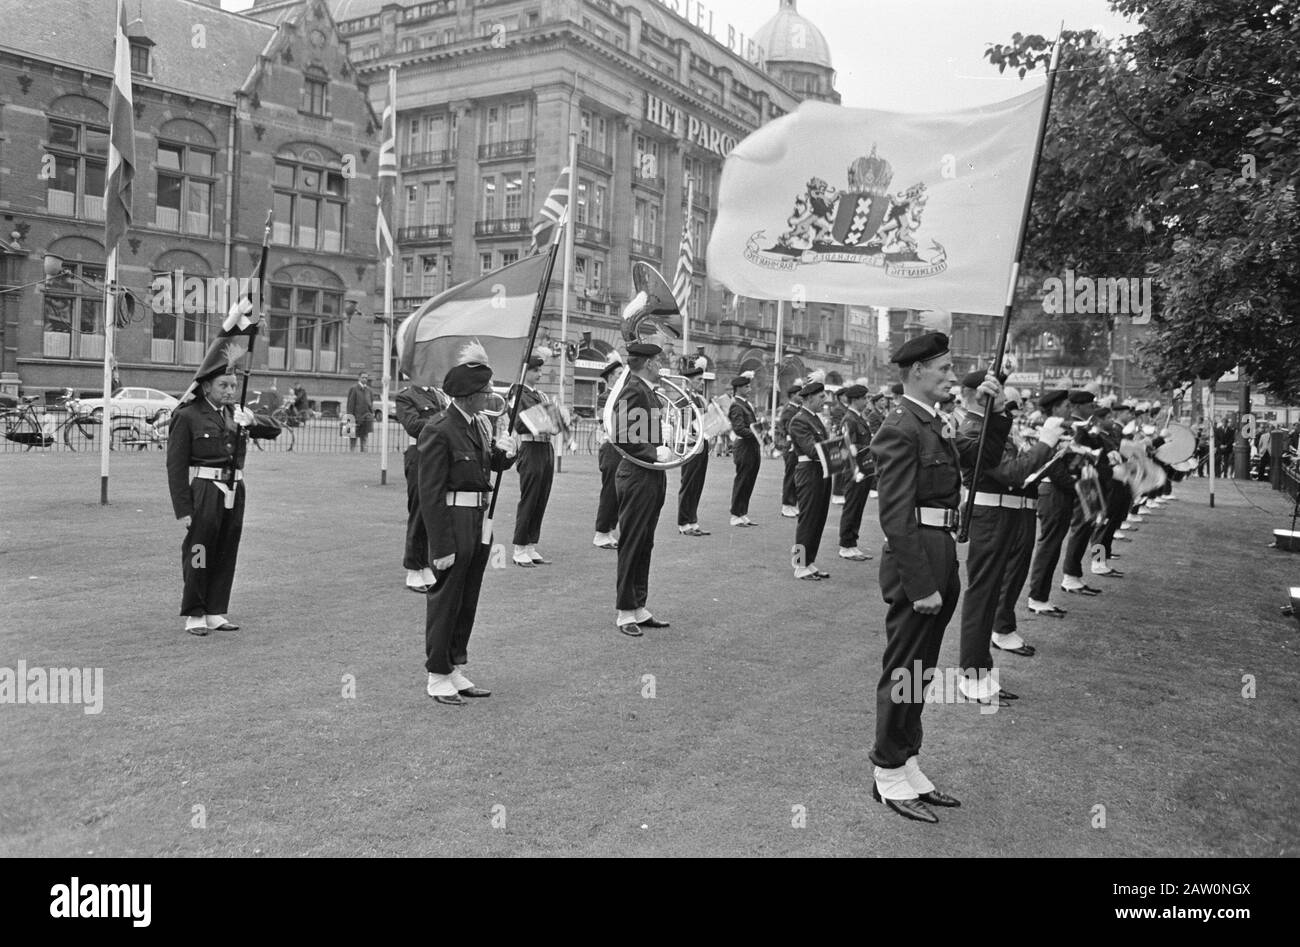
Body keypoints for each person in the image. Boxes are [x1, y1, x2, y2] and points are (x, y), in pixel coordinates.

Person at [868, 331, 986, 823]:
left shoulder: (929, 422)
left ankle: (907, 759)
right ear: (917, 371)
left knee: (922, 668)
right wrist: (920, 587)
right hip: (917, 555)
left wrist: (985, 408)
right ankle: (887, 771)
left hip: (939, 551)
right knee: (904, 669)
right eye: (943, 369)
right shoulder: (901, 426)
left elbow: (974, 454)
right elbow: (895, 517)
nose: (950, 376)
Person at [417, 342, 518, 705]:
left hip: (478, 517)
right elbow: (429, 495)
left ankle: (454, 665)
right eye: (485, 391)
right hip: (454, 519)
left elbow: (487, 467)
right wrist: (441, 547)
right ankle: (436, 673)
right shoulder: (439, 429)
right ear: (468, 395)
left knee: (467, 598)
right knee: (447, 598)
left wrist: (506, 453)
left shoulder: (478, 425)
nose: (490, 395)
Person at [954, 371, 1062, 704]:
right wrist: (1045, 444)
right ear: (977, 394)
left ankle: (980, 669)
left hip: (1005, 513)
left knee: (992, 594)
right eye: (996, 391)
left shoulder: (990, 425)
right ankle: (972, 675)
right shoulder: (974, 428)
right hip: (991, 515)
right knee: (982, 596)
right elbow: (1008, 473)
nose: (1002, 397)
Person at [166, 366, 257, 636]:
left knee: (226, 549)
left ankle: (215, 610)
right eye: (223, 385)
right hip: (206, 490)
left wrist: (252, 421)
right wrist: (184, 509)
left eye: (233, 385)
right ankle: (195, 612)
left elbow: (272, 431)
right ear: (206, 386)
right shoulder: (188, 415)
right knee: (199, 552)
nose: (230, 391)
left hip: (234, 489)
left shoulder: (235, 414)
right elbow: (176, 465)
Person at [611, 341, 675, 636]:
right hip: (638, 473)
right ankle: (625, 611)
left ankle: (638, 604)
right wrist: (653, 452)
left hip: (649, 474)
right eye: (658, 360)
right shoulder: (634, 388)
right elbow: (623, 435)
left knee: (645, 542)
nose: (661, 365)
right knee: (634, 542)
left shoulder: (645, 390)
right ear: (648, 363)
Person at [396, 374, 449, 592]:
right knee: (419, 509)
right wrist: (446, 421)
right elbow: (414, 426)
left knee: (434, 510)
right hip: (419, 453)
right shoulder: (407, 396)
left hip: (437, 454)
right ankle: (413, 567)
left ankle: (425, 564)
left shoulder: (438, 395)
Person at [510, 353, 555, 566]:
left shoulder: (541, 395)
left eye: (539, 370)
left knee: (541, 498)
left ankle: (530, 545)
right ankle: (519, 547)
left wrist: (551, 420)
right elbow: (519, 423)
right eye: (535, 370)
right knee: (530, 497)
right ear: (525, 371)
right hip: (530, 446)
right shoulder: (518, 392)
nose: (539, 374)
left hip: (545, 447)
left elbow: (554, 421)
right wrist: (544, 420)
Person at [837, 384, 875, 562]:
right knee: (852, 506)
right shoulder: (849, 419)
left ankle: (852, 543)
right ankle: (846, 545)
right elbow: (846, 447)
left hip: (864, 468)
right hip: (854, 470)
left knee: (858, 507)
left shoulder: (860, 418)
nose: (867, 401)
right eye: (865, 398)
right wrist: (870, 446)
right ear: (856, 399)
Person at [676, 358, 712, 537]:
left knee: (698, 483)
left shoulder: (699, 399)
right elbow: (682, 425)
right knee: (688, 483)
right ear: (689, 381)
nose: (701, 383)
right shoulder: (684, 399)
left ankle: (693, 520)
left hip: (702, 442)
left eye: (702, 380)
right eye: (698, 380)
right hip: (690, 445)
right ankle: (683, 523)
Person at [592, 353, 624, 550]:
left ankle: (609, 531)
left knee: (618, 491)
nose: (623, 375)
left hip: (619, 447)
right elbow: (605, 422)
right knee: (609, 491)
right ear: (611, 376)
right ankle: (601, 532)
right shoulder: (605, 397)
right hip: (610, 446)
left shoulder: (619, 395)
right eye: (620, 373)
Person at [728, 372, 761, 526]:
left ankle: (742, 512)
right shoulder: (736, 405)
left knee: (749, 480)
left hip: (752, 446)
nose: (749, 388)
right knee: (742, 480)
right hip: (744, 447)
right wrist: (757, 433)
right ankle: (735, 514)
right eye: (746, 386)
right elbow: (739, 429)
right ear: (738, 388)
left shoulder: (746, 404)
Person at [776, 384, 803, 518]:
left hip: (795, 445)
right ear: (793, 395)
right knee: (790, 476)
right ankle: (787, 505)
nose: (802, 396)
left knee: (794, 477)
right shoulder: (789, 410)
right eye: (799, 394)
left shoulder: (796, 409)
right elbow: (788, 428)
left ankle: (792, 504)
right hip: (791, 445)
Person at [346, 372, 374, 452]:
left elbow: (370, 404)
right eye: (363, 377)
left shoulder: (369, 390)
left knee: (364, 438)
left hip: (366, 418)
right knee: (353, 438)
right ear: (359, 378)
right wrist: (350, 418)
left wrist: (370, 415)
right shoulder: (354, 389)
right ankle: (352, 453)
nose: (364, 379)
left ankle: (364, 454)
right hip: (355, 418)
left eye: (366, 378)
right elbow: (350, 404)